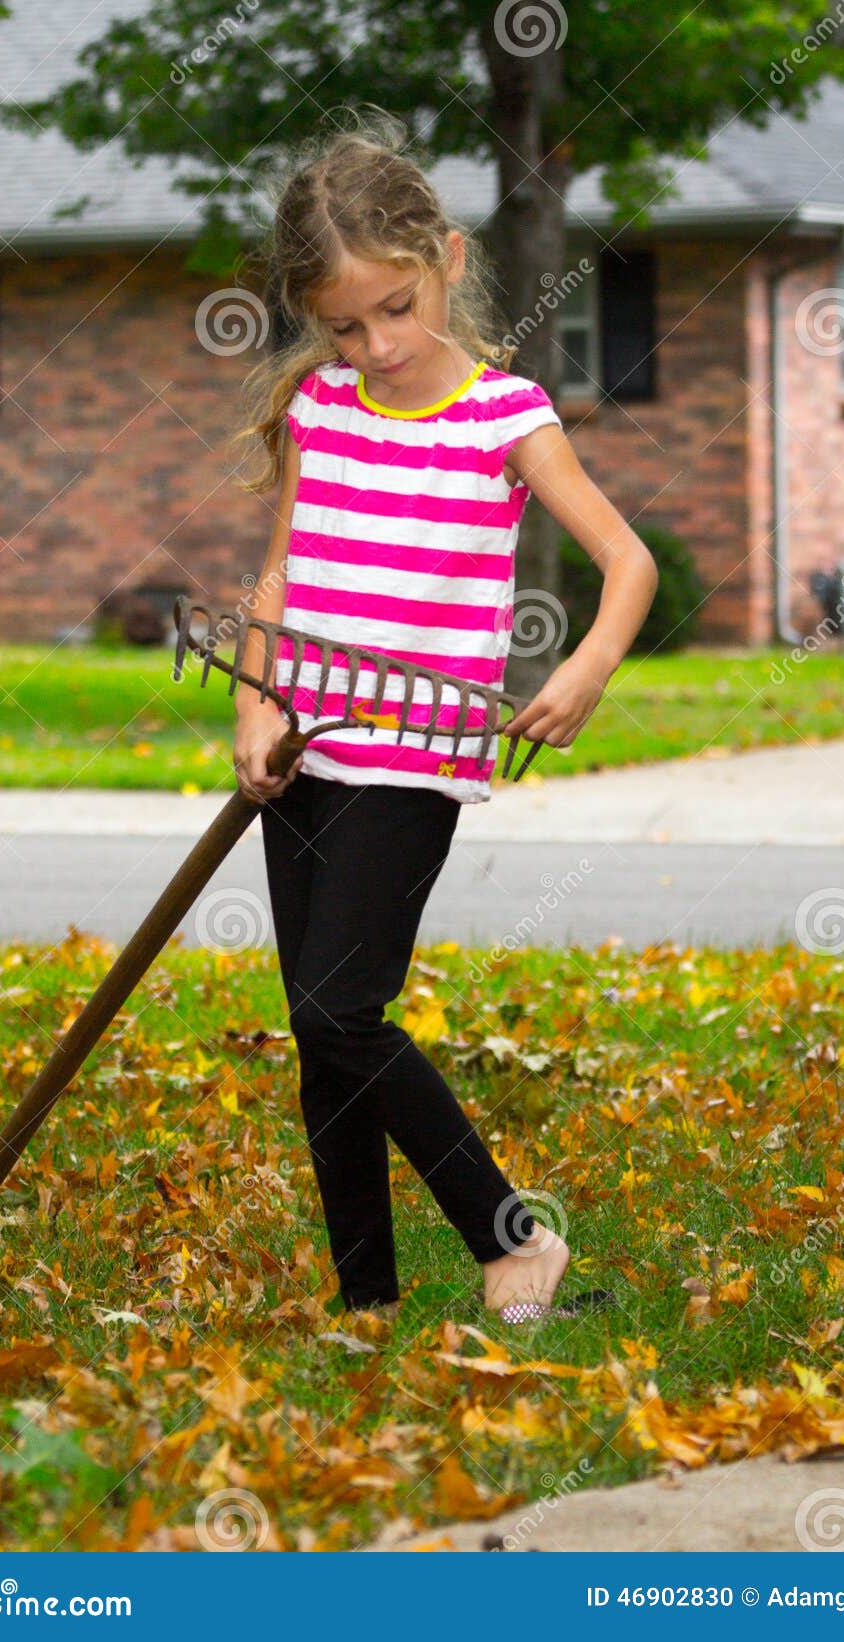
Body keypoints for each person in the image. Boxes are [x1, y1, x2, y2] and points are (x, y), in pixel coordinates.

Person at [229, 112, 657, 1322]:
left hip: (410, 761)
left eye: (398, 309)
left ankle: (514, 1238)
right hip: (302, 752)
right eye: (345, 325)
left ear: (450, 263)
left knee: (336, 1007)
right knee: (319, 1039)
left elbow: (627, 562)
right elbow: (281, 570)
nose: (377, 344)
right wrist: (255, 702)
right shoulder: (320, 409)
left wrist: (585, 667)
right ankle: (364, 1298)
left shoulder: (498, 416)